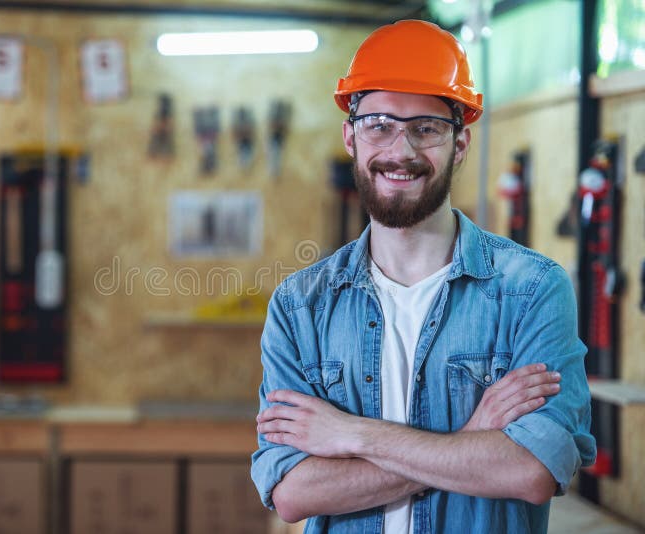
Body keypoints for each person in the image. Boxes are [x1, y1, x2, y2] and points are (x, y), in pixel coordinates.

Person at [251, 19, 595, 534]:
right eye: (379, 125)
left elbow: (531, 471)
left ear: (460, 144)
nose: (402, 151)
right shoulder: (301, 305)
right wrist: (470, 439)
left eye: (426, 128)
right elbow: (294, 492)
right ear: (351, 136)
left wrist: (353, 435)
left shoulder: (531, 291)